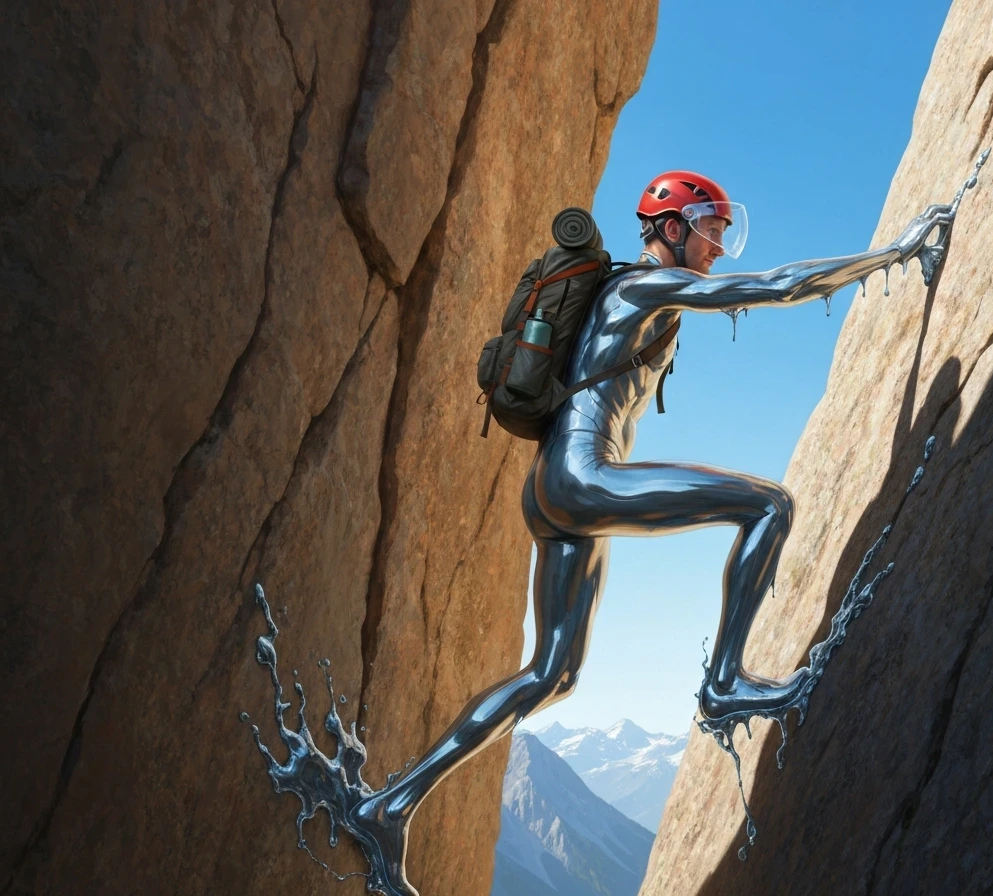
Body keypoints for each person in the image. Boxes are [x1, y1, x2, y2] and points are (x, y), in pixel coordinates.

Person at [351, 171, 956, 895]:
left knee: (553, 674)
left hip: (551, 492)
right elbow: (772, 288)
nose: (719, 245)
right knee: (768, 506)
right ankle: (725, 681)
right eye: (709, 227)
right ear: (670, 228)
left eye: (723, 230)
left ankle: (389, 804)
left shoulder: (628, 293)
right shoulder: (641, 287)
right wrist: (890, 254)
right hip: (581, 479)